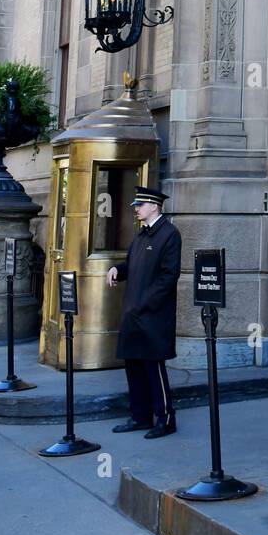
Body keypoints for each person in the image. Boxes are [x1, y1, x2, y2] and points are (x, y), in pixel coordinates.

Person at [106, 187, 181, 438]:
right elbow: (133, 264)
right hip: (134, 313)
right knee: (134, 365)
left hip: (153, 315)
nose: (136, 209)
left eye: (140, 205)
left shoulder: (169, 235)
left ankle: (165, 419)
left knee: (153, 366)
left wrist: (144, 303)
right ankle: (140, 417)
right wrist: (118, 269)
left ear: (154, 207)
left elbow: (168, 276)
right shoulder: (142, 236)